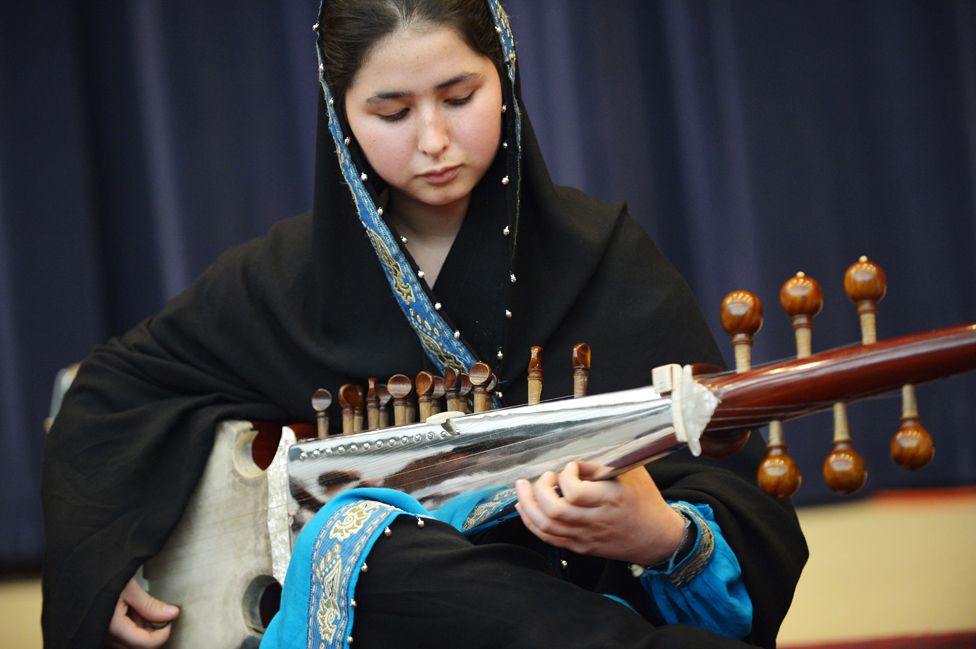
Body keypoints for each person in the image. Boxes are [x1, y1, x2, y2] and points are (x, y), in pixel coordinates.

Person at [42, 1, 807, 648]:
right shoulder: (281, 283)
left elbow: (734, 489)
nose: (433, 140)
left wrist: (661, 534)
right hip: (393, 613)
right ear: (339, 113)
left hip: (573, 610)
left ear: (504, 71)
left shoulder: (602, 256)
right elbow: (112, 389)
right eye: (393, 111)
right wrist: (100, 564)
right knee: (365, 546)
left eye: (459, 95)